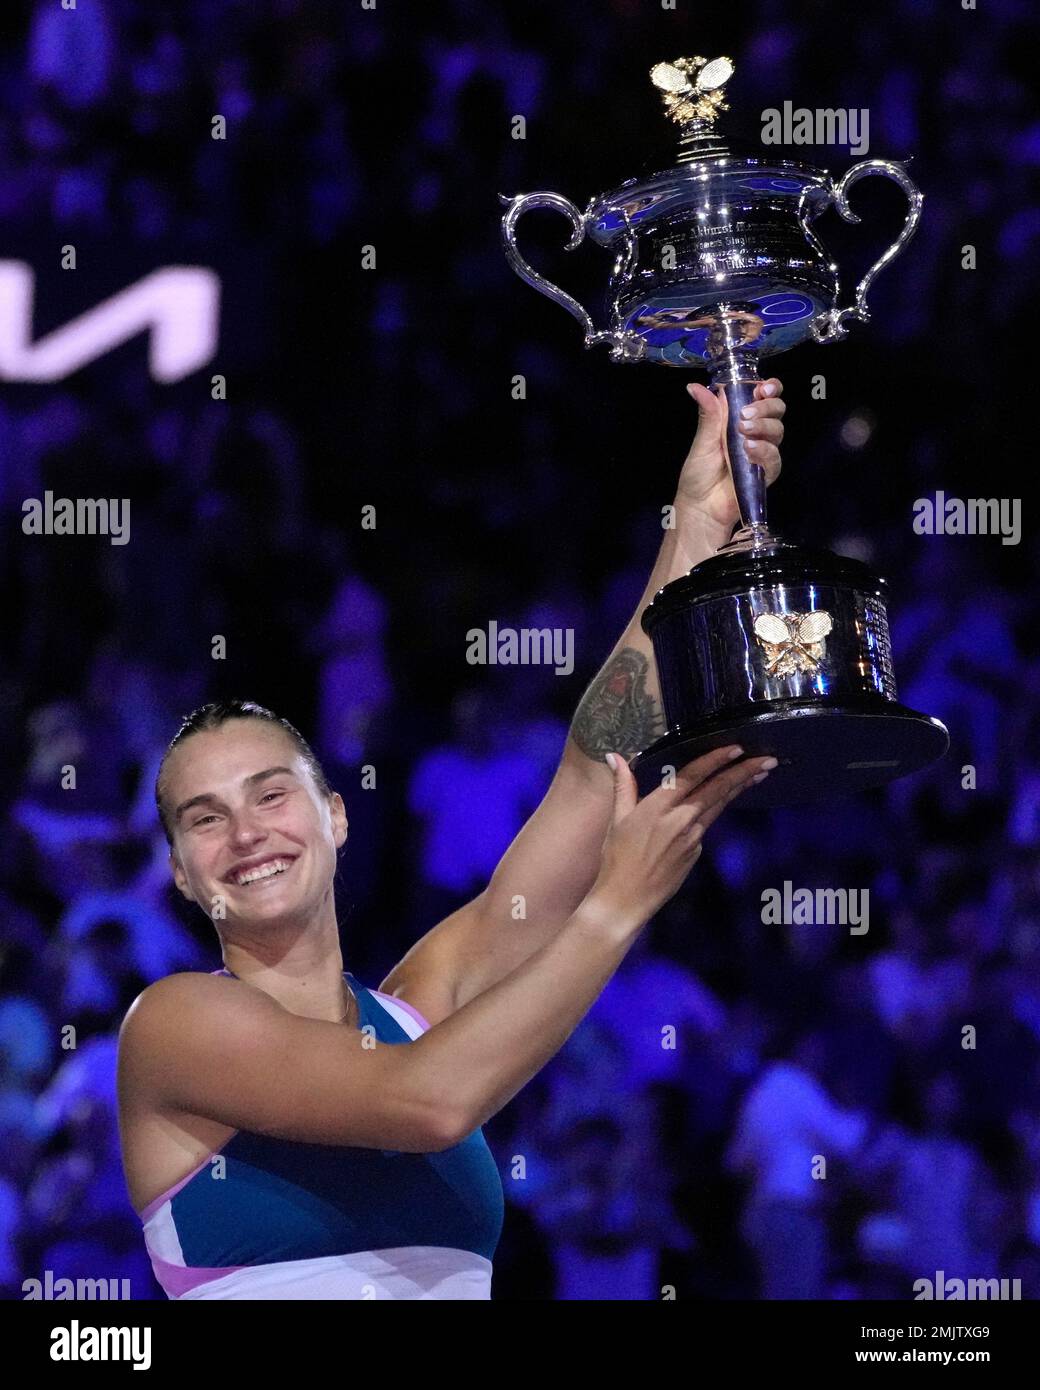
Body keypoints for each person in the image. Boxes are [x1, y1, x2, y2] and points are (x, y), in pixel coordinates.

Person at [115, 378, 786, 1300]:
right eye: (205, 818)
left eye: (272, 795)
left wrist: (694, 531)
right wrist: (615, 909)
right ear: (184, 877)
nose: (244, 833)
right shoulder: (174, 1026)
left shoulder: (419, 1006)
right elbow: (425, 1102)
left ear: (335, 818)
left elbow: (595, 771)